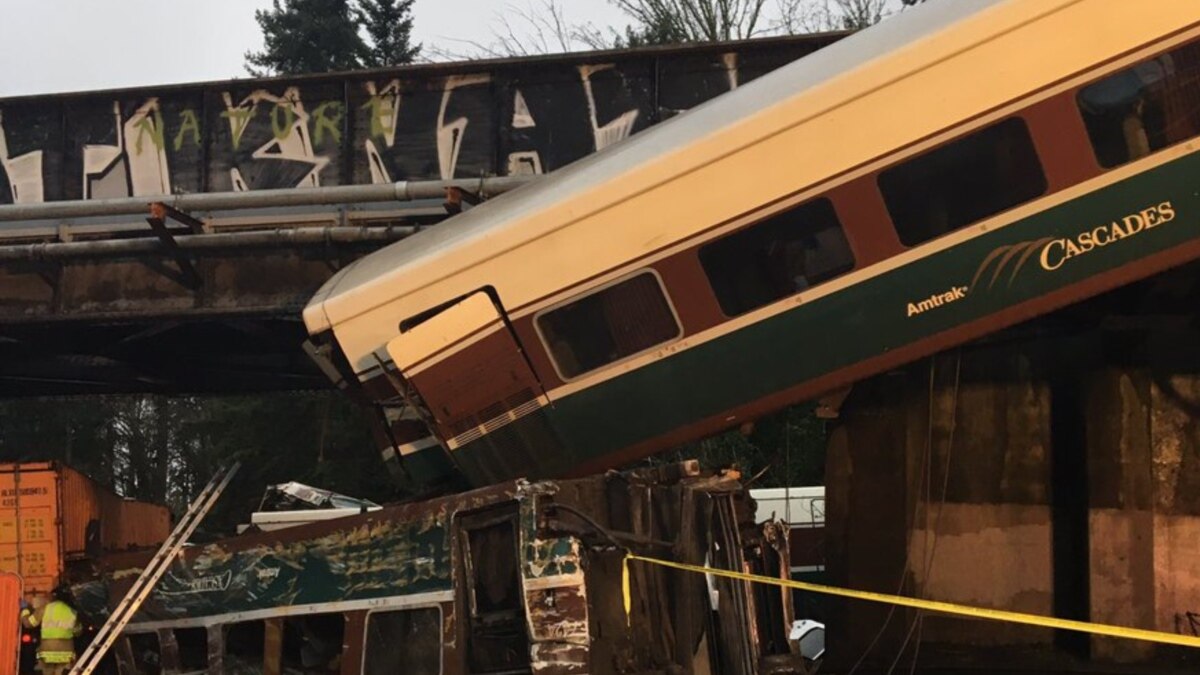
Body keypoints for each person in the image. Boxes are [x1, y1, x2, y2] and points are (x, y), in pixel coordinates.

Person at [20, 584, 81, 675]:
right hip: (65, 655)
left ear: (53, 597)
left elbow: (28, 624)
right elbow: (78, 632)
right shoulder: (72, 611)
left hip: (47, 654)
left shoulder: (45, 609)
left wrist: (24, 609)